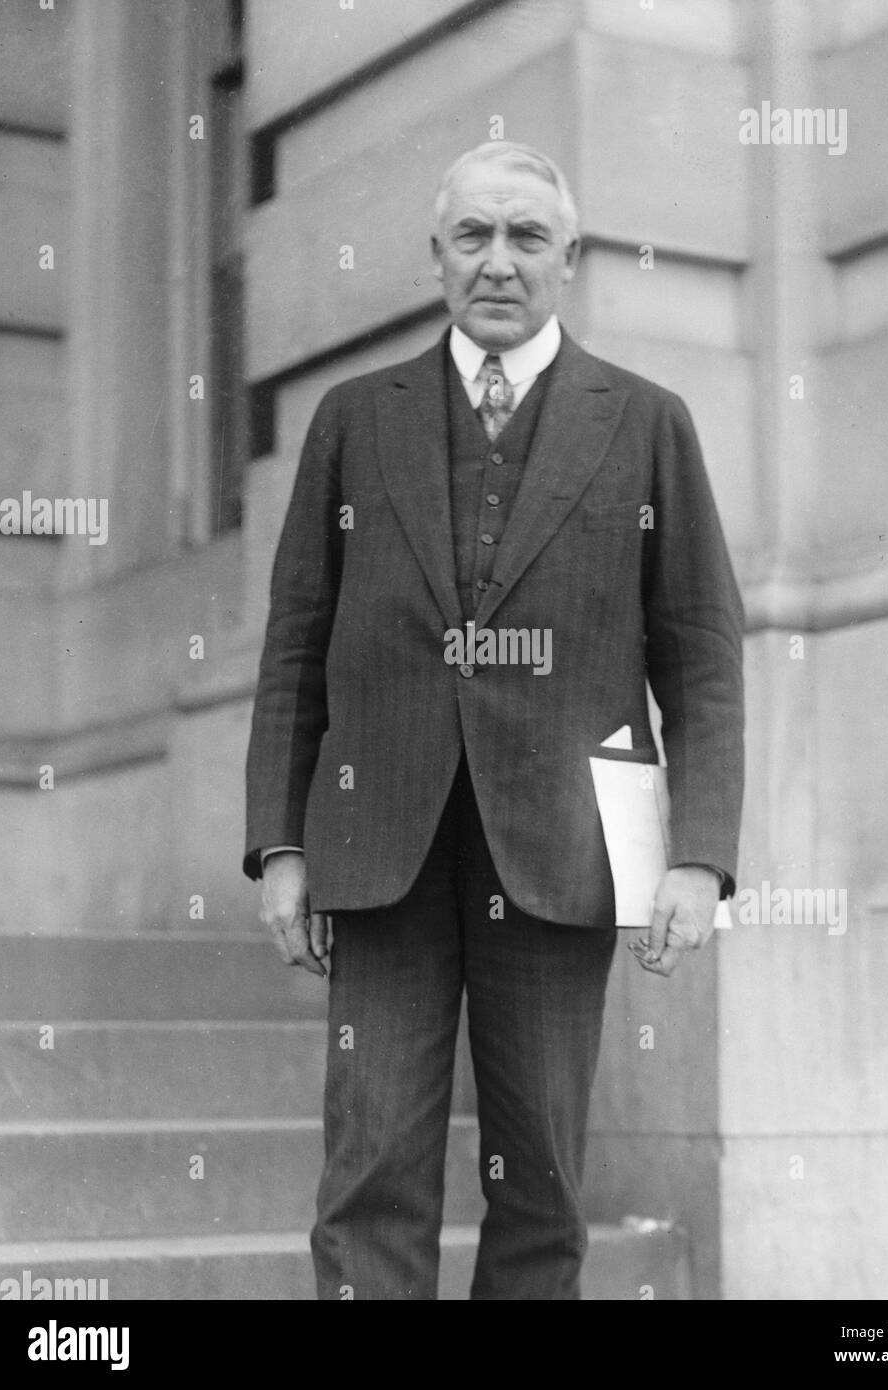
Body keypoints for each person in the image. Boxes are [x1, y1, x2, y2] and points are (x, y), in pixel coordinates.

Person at [244, 140, 744, 1300]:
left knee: (543, 1183)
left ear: (571, 258)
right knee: (369, 1168)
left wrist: (701, 858)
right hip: (382, 850)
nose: (499, 262)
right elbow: (295, 649)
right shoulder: (353, 420)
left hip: (563, 849)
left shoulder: (648, 423)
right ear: (436, 256)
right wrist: (280, 843)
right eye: (474, 235)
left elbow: (703, 661)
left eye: (527, 237)